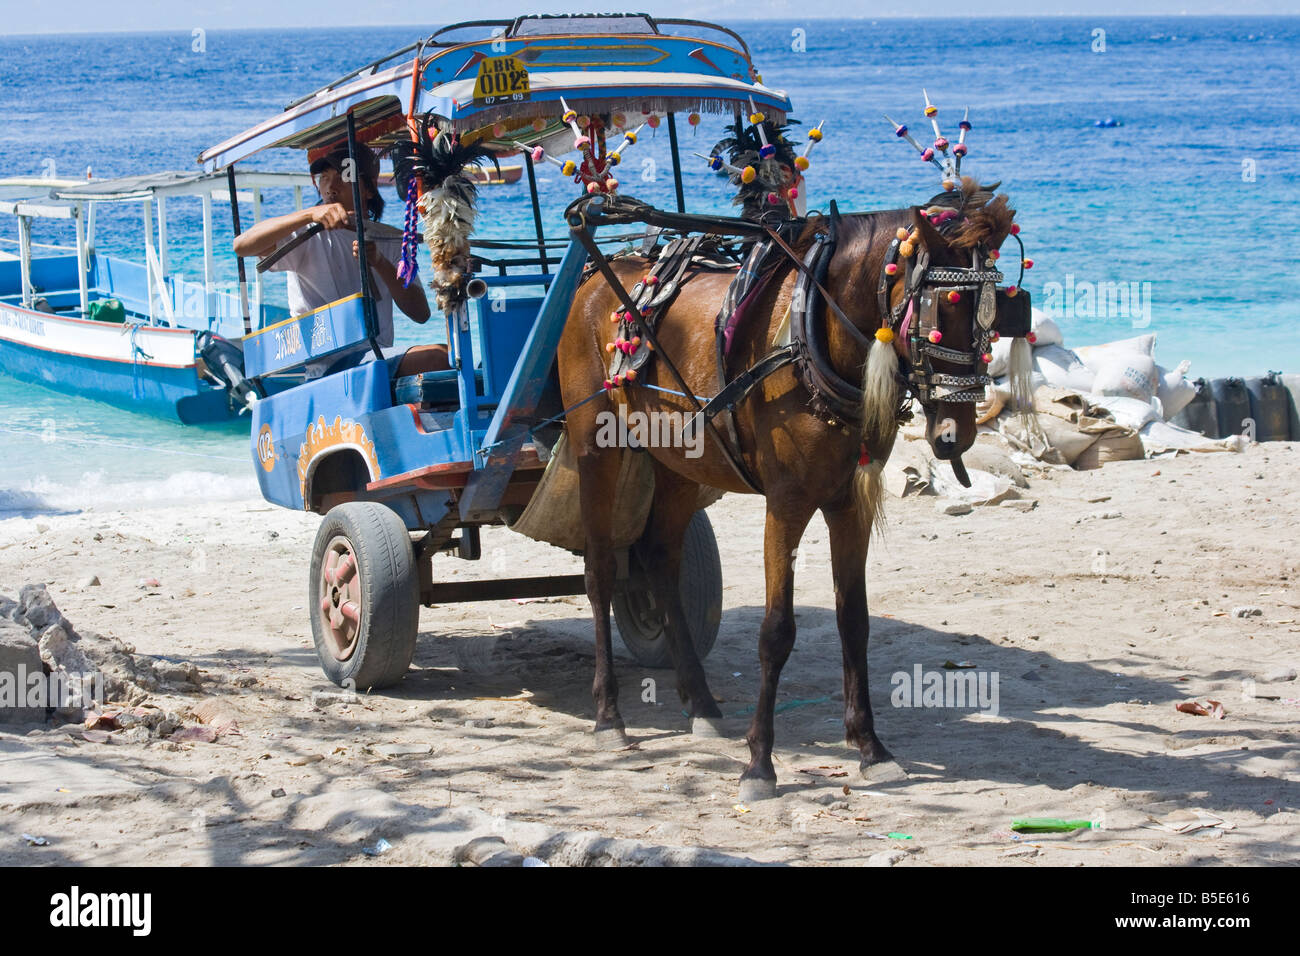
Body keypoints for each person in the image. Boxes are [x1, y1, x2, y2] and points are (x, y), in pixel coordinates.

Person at [232, 143, 448, 378]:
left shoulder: (391, 239)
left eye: (343, 177)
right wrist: (308, 214)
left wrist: (379, 261)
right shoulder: (308, 234)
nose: (331, 187)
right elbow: (242, 246)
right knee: (438, 357)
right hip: (328, 366)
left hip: (374, 357)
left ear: (368, 190)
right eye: (324, 178)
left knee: (450, 356)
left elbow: (420, 313)